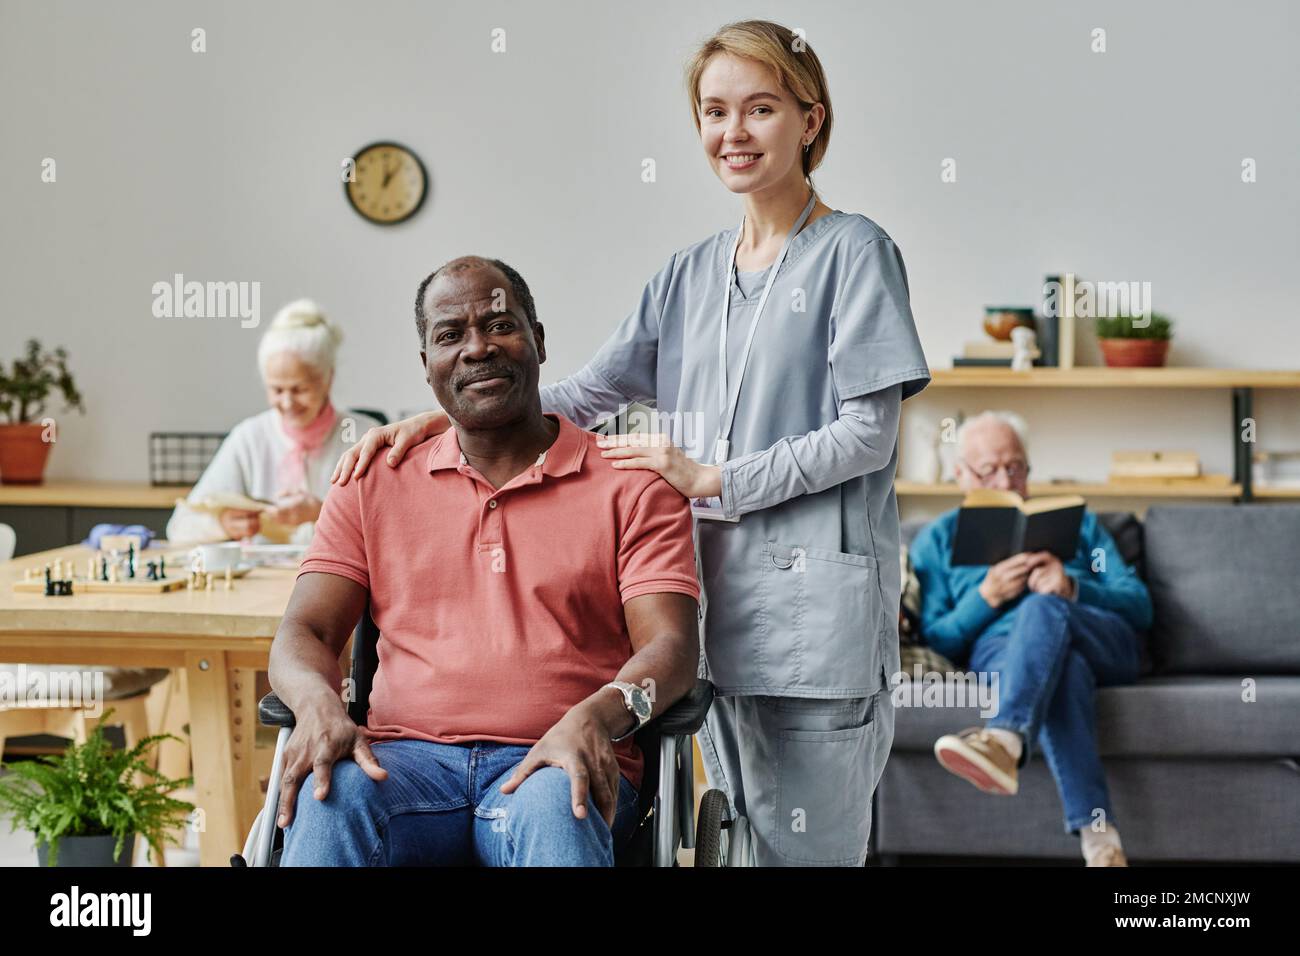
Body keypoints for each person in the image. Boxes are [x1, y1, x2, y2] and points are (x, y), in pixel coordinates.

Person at [330, 20, 930, 866]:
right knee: (740, 847)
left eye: (760, 108)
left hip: (812, 626)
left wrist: (712, 478)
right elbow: (577, 395)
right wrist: (442, 420)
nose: (734, 132)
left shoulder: (856, 253)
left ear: (811, 121)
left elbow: (869, 434)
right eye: (715, 111)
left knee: (807, 855)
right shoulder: (686, 276)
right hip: (710, 617)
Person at [272, 257, 700, 866]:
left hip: (556, 759)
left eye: (499, 325)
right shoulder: (373, 482)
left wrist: (597, 718)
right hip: (403, 764)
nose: (477, 349)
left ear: (539, 341)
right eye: (450, 336)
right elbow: (304, 631)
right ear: (428, 367)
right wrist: (318, 705)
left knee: (563, 804)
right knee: (327, 794)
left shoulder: (632, 485)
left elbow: (673, 648)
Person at [908, 411, 1153, 867]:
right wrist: (985, 598)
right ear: (960, 474)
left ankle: (1003, 738)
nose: (1006, 480)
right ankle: (1100, 841)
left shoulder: (1081, 527)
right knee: (1063, 671)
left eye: (1016, 467)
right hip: (1007, 653)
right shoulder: (936, 541)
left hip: (1101, 637)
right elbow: (938, 640)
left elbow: (1138, 604)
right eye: (989, 470)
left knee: (1044, 608)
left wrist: (1074, 587)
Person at [165, 300, 381, 545]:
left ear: (327, 379)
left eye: (299, 389)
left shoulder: (365, 436)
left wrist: (322, 512)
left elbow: (390, 528)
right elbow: (179, 527)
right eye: (277, 389)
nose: (287, 403)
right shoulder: (249, 438)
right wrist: (223, 524)